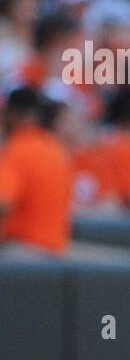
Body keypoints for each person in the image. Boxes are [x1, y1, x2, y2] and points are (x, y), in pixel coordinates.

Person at [0, 86, 74, 254]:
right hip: (56, 251)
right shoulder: (55, 147)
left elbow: (3, 202)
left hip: (23, 250)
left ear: (12, 114)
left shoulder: (18, 148)